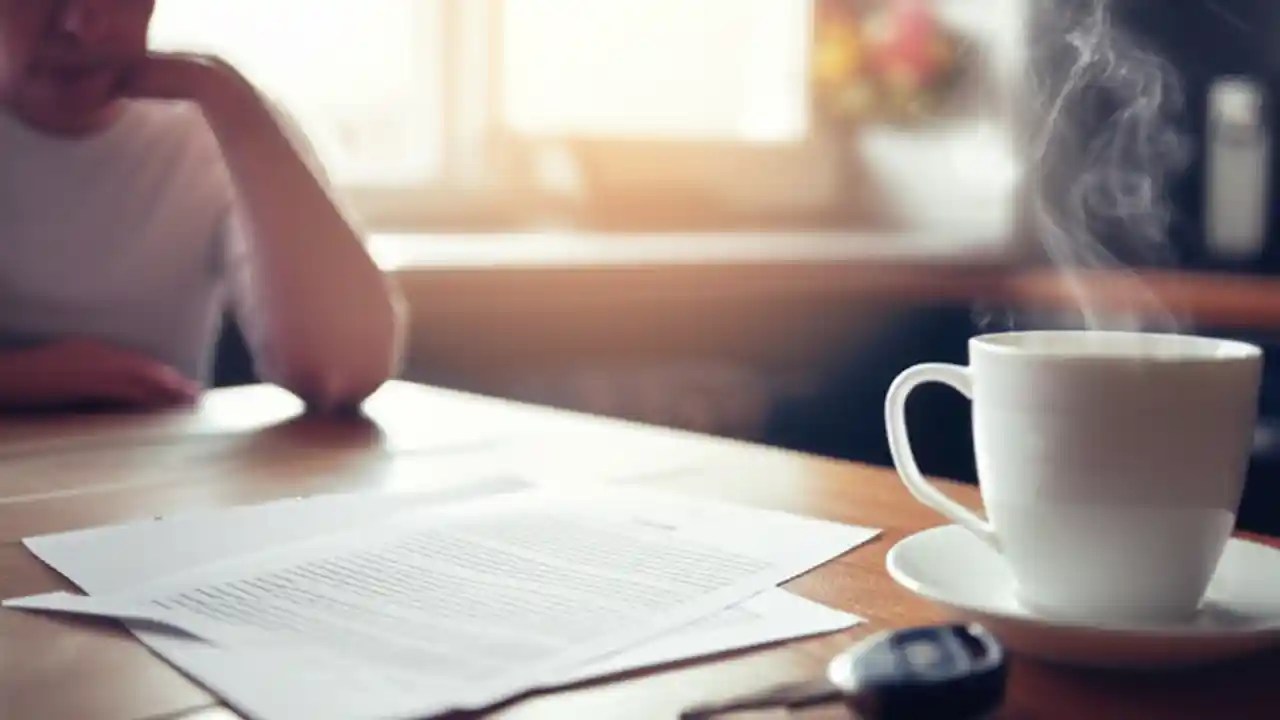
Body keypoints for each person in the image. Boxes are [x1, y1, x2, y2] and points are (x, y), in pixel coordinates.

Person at [0, 0, 405, 414]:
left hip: (155, 450)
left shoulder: (212, 126)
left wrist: (226, 97)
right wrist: (30, 377)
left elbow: (340, 372)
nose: (79, 26)